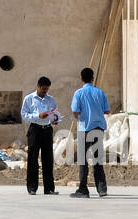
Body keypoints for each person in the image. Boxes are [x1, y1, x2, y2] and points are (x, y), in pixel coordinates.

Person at [70, 67, 110, 198]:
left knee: (83, 160)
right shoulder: (100, 92)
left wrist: (79, 118)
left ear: (81, 78)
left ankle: (83, 189)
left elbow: (75, 111)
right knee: (97, 159)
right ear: (93, 78)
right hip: (98, 128)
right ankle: (102, 189)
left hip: (84, 128)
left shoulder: (78, 93)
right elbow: (106, 110)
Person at [20, 77, 61, 196]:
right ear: (38, 86)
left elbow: (54, 113)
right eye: (43, 89)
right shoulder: (29, 99)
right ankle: (32, 188)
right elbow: (24, 115)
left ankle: (49, 188)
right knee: (33, 159)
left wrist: (54, 120)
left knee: (48, 159)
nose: (45, 91)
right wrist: (38, 116)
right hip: (35, 130)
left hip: (47, 130)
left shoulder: (51, 100)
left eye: (47, 89)